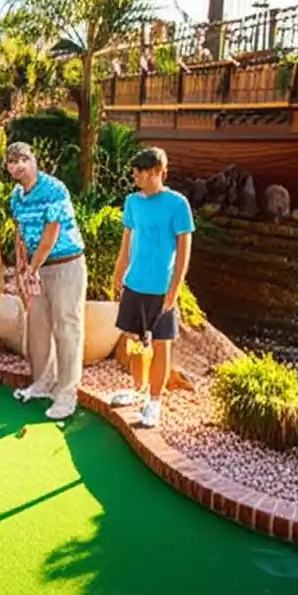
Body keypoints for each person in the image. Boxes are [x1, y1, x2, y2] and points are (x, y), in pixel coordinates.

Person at [110, 147, 195, 428]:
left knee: (160, 343)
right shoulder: (132, 202)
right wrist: (118, 273)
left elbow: (184, 252)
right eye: (134, 171)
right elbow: (126, 241)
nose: (135, 175)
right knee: (134, 340)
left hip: (161, 288)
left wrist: (174, 290)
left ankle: (155, 401)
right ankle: (139, 390)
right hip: (134, 284)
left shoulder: (178, 204)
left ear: (158, 172)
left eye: (141, 171)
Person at [5, 142, 86, 420]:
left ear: (34, 160)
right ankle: (43, 382)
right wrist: (21, 269)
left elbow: (52, 233)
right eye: (12, 161)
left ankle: (67, 394)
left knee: (67, 328)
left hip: (65, 265)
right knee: (38, 327)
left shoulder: (55, 189)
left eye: (23, 159)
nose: (19, 165)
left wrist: (32, 267)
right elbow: (20, 233)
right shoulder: (16, 196)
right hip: (36, 269)